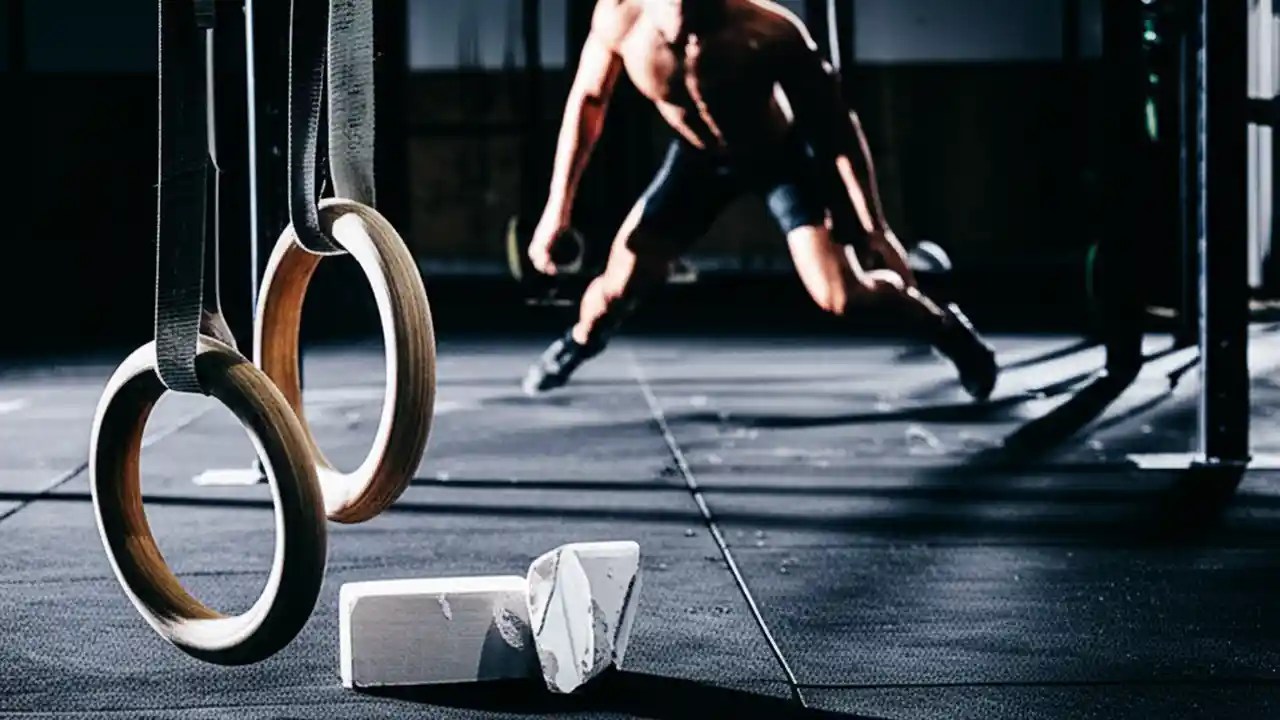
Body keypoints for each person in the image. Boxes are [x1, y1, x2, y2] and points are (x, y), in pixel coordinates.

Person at [521, 0, 998, 400]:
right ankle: (580, 340)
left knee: (842, 297)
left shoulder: (769, 31)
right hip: (698, 161)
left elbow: (835, 130)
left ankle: (946, 329)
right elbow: (588, 102)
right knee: (616, 285)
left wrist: (874, 227)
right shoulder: (620, 18)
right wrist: (556, 213)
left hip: (780, 156)